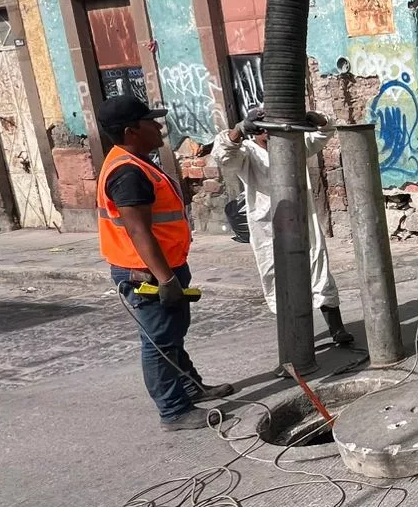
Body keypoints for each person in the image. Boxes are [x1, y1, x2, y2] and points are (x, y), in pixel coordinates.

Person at [96, 93, 231, 431]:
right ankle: (173, 411)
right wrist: (165, 280)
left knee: (171, 334)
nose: (159, 126)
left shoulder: (134, 159)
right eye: (150, 121)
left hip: (163, 268)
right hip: (148, 273)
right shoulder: (127, 172)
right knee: (159, 341)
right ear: (131, 130)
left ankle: (189, 387)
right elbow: (139, 231)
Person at [215, 106, 356, 348]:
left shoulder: (293, 144)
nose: (269, 135)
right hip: (269, 227)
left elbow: (326, 130)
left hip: (302, 219)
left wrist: (315, 118)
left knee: (318, 269)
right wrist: (239, 129)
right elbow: (222, 154)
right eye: (264, 130)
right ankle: (295, 337)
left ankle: (337, 328)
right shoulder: (247, 154)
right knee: (277, 277)